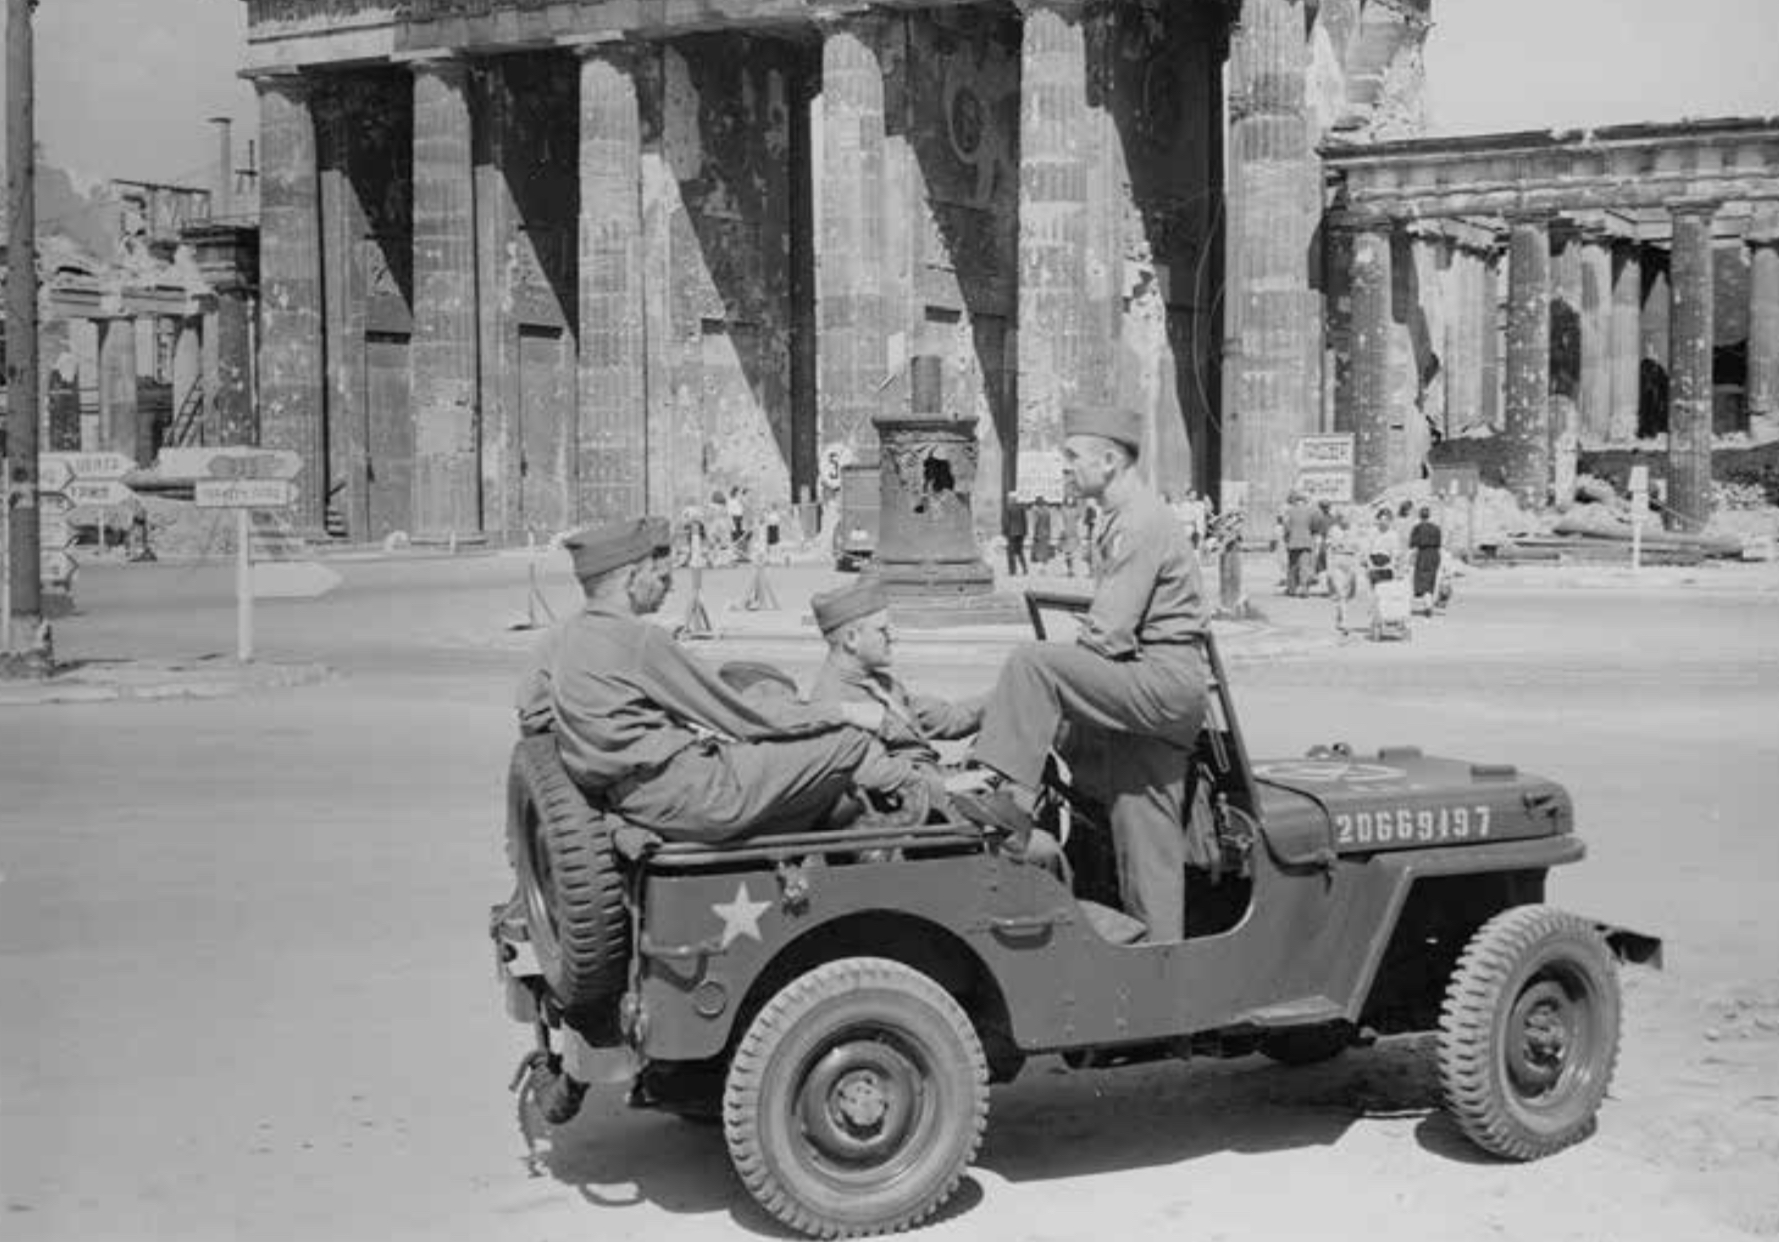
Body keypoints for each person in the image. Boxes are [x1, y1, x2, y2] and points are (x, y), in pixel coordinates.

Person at [952, 406, 1211, 944]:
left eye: (1073, 457)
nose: (1065, 468)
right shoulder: (1126, 517)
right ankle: (1162, 975)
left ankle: (1011, 807)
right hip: (1161, 688)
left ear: (1110, 461)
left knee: (1033, 663)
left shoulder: (1139, 521)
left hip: (1157, 679)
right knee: (1147, 844)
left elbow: (1109, 635)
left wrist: (1041, 686)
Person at [514, 517, 936, 843]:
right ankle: (932, 805)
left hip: (640, 797)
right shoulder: (639, 639)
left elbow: (535, 713)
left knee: (793, 762)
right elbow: (742, 717)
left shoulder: (565, 638)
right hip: (695, 794)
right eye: (659, 577)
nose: (667, 588)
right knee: (848, 742)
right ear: (630, 578)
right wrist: (848, 712)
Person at [806, 578, 984, 770]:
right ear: (851, 639)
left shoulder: (878, 682)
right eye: (882, 630)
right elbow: (883, 780)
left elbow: (948, 718)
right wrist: (951, 784)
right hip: (921, 791)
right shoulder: (836, 703)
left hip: (931, 781)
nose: (893, 637)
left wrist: (1010, 690)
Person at [1282, 493, 1318, 597]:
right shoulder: (1310, 511)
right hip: (1306, 542)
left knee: (1292, 566)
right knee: (1304, 566)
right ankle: (1304, 589)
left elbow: (1286, 526)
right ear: (1304, 502)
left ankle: (1291, 589)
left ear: (1295, 502)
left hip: (1292, 542)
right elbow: (1314, 525)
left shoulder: (1289, 511)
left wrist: (1287, 538)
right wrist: (1310, 533)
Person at [1409, 505, 1443, 612]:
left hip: (1423, 554)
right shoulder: (1436, 528)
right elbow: (1439, 543)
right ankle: (1429, 603)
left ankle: (1428, 604)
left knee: (1422, 580)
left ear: (1420, 516)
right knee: (1430, 579)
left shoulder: (1417, 528)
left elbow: (1412, 544)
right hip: (1435, 555)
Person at [1001, 492, 1029, 577]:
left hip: (1011, 533)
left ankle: (1012, 570)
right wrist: (1025, 532)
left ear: (1011, 499)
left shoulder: (1008, 508)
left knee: (1010, 552)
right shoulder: (1021, 507)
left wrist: (1004, 532)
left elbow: (1006, 521)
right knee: (1020, 551)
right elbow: (1025, 520)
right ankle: (1024, 568)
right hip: (1020, 533)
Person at [1029, 497, 1054, 573]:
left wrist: (1034, 534)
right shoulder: (1047, 511)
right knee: (1044, 550)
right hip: (1046, 533)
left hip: (1039, 532)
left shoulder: (1037, 512)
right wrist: (1049, 533)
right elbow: (1049, 524)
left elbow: (1035, 523)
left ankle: (1040, 568)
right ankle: (1044, 567)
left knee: (1039, 550)